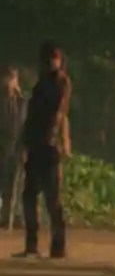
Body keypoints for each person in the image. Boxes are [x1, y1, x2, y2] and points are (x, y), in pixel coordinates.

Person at [13, 42, 72, 259]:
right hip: (37, 145)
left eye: (54, 58)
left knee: (52, 198)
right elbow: (32, 116)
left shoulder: (61, 82)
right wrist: (24, 140)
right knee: (30, 195)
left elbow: (59, 112)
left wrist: (52, 137)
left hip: (50, 146)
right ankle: (31, 244)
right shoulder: (41, 84)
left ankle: (58, 246)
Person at [1, 64, 25, 228]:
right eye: (7, 78)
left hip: (16, 148)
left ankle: (8, 219)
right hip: (2, 147)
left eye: (12, 78)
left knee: (13, 185)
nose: (9, 82)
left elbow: (26, 125)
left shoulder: (22, 103)